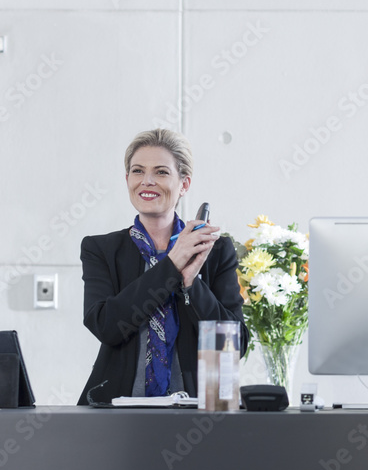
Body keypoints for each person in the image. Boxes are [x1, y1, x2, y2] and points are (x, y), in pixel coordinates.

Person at [77, 129, 248, 404]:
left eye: (161, 172)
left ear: (184, 184)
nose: (147, 181)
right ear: (127, 179)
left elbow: (233, 347)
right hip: (117, 409)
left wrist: (192, 283)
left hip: (197, 409)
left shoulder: (215, 251)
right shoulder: (101, 249)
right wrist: (172, 264)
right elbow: (107, 326)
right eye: (137, 171)